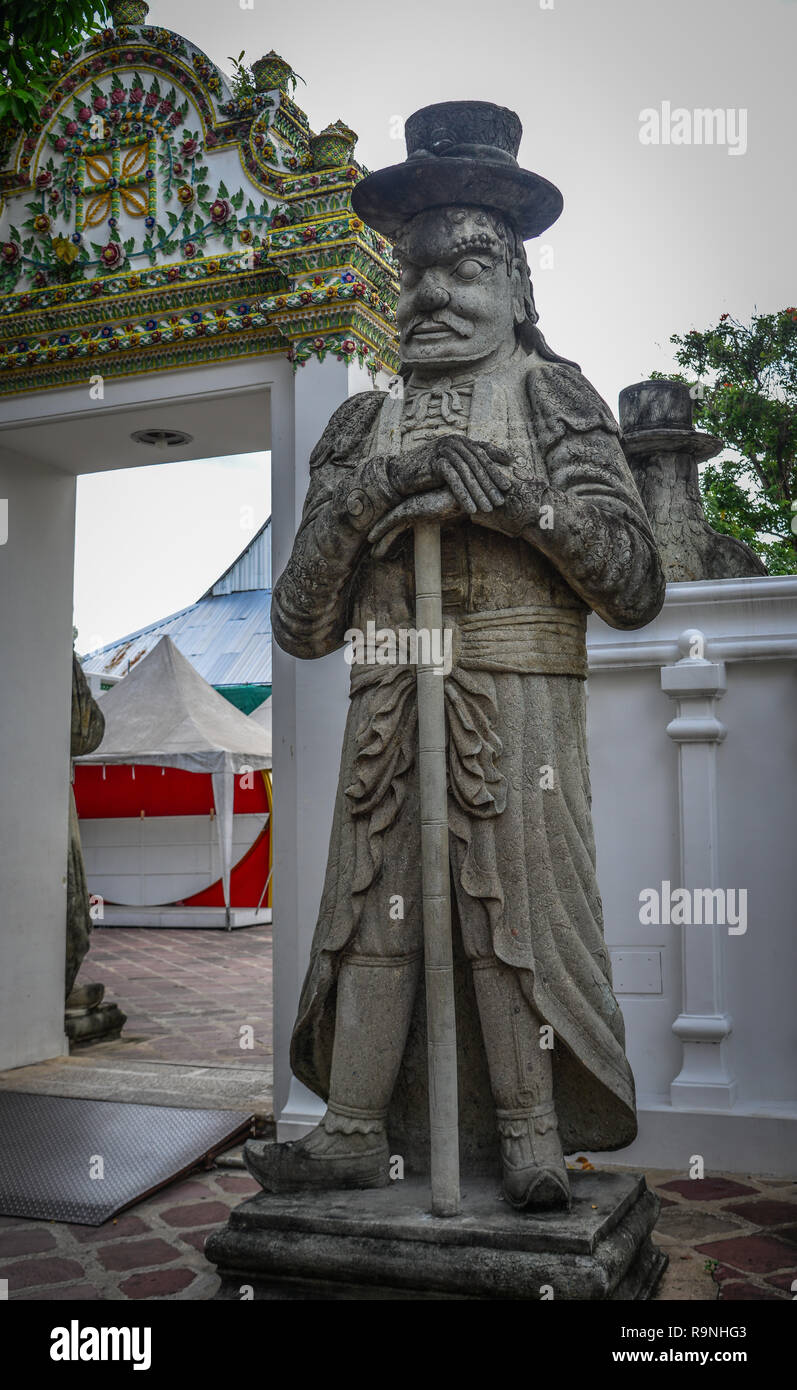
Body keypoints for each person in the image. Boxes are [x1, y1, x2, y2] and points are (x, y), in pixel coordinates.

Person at [245, 102, 665, 1210]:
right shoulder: (360, 427)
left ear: (516, 283)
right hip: (387, 700)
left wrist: (527, 507)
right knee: (371, 912)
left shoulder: (550, 395)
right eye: (411, 268)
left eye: (463, 262)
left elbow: (630, 580)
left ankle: (529, 1131)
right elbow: (299, 624)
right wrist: (359, 503)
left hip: (514, 698)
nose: (429, 290)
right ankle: (348, 1126)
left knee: (503, 914)